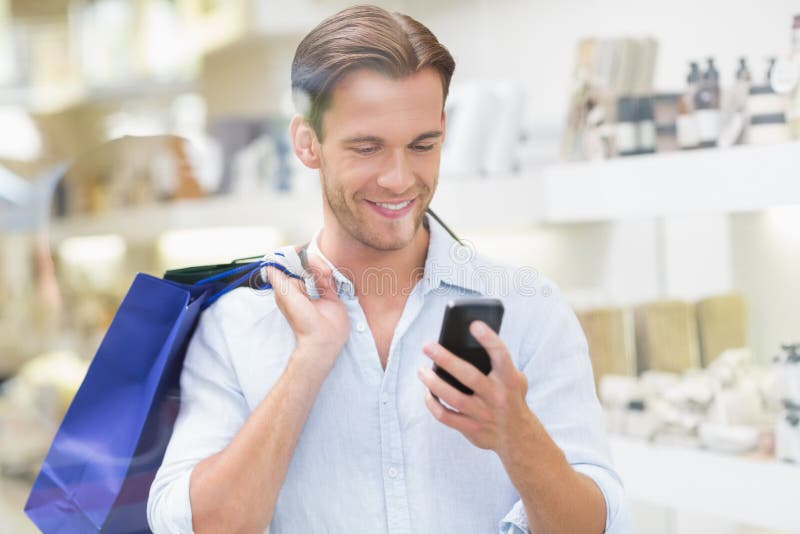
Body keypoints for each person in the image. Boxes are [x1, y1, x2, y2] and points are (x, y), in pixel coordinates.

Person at [148, 5, 631, 533]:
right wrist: (308, 360)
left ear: (443, 130)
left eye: (422, 145)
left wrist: (518, 437)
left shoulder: (529, 309)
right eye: (367, 147)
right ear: (307, 142)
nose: (400, 179)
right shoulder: (237, 322)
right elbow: (205, 527)